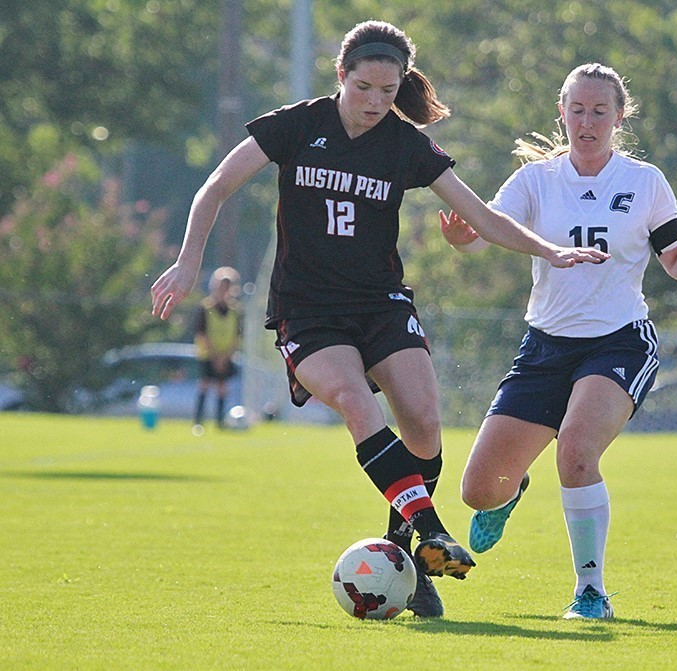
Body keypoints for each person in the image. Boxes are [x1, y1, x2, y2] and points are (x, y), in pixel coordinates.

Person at [149, 20, 608, 618]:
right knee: (353, 401)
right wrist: (188, 264)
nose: (374, 103)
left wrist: (548, 250)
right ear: (341, 75)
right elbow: (215, 187)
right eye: (363, 87)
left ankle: (405, 556)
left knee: (423, 422)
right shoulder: (297, 125)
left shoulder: (405, 143)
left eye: (388, 93)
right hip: (308, 311)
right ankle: (433, 532)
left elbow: (481, 216)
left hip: (379, 302)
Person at [440, 63, 677, 619]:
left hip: (618, 342)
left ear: (619, 117)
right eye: (577, 109)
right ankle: (512, 489)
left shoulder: (644, 181)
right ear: (562, 112)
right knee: (478, 491)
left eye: (600, 111)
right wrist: (463, 240)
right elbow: (486, 236)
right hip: (545, 346)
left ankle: (591, 591)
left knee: (576, 452)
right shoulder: (535, 180)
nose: (587, 121)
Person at [193, 266, 242, 432]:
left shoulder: (235, 310)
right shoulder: (206, 307)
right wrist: (214, 355)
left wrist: (226, 356)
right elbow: (201, 334)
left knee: (222, 387)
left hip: (225, 356)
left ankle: (220, 422)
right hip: (208, 355)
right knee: (205, 384)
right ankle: (198, 421)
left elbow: (237, 335)